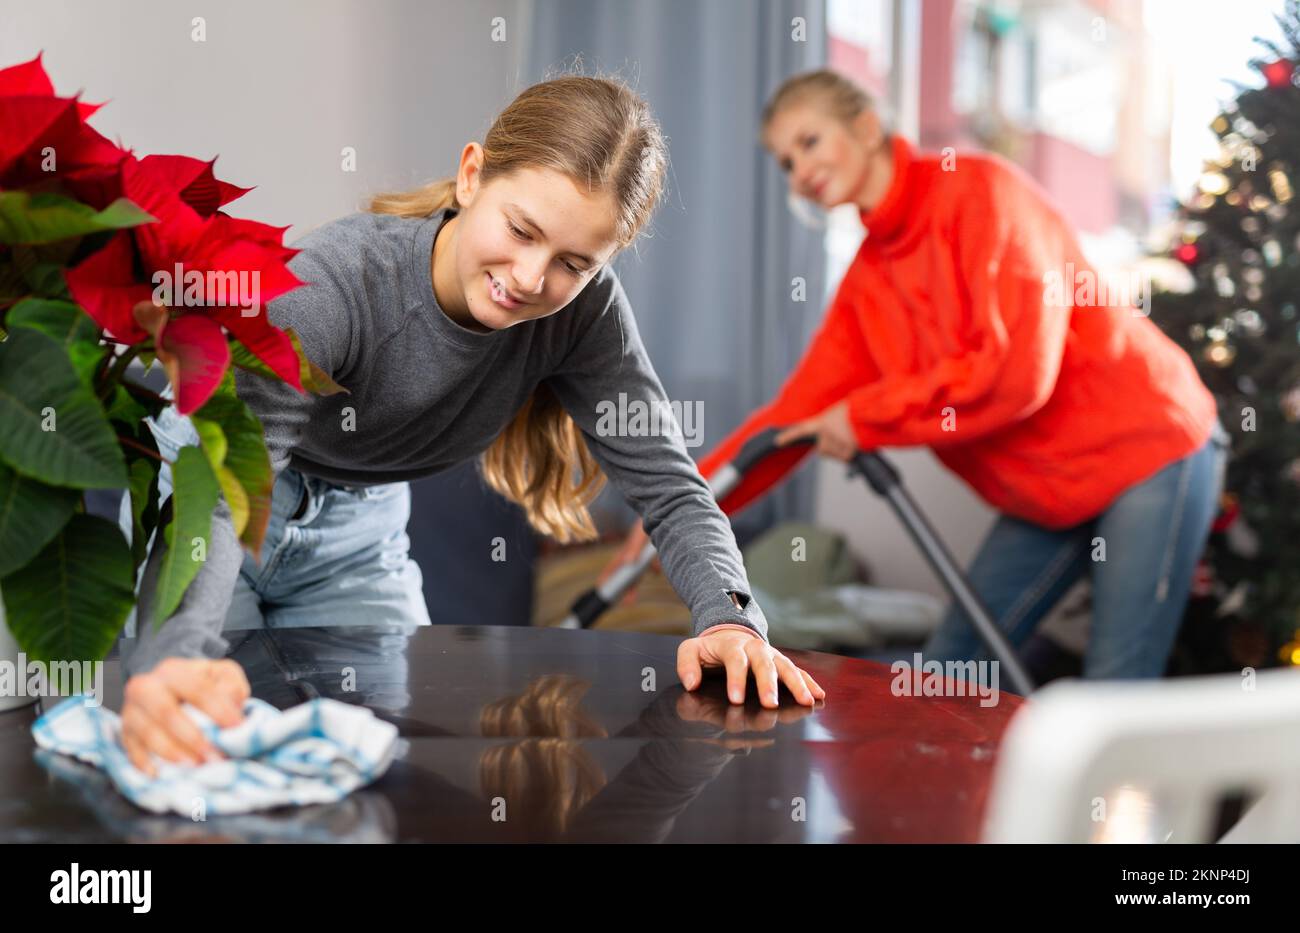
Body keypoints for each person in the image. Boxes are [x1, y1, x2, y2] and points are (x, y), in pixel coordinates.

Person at [117, 75, 825, 776]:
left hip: (358, 531)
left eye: (572, 263)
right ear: (471, 176)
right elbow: (219, 489)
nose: (530, 277)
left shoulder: (584, 314)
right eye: (521, 230)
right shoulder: (333, 287)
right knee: (200, 745)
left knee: (380, 765)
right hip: (223, 493)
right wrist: (172, 656)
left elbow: (671, 487)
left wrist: (733, 620)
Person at [606, 69, 1229, 684]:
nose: (799, 171)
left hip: (1147, 448)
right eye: (786, 162)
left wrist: (863, 418)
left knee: (1116, 683)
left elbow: (1018, 373)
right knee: (948, 674)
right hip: (1050, 492)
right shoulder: (866, 284)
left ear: (866, 126)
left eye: (809, 141)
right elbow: (790, 422)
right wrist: (679, 516)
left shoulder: (982, 192)